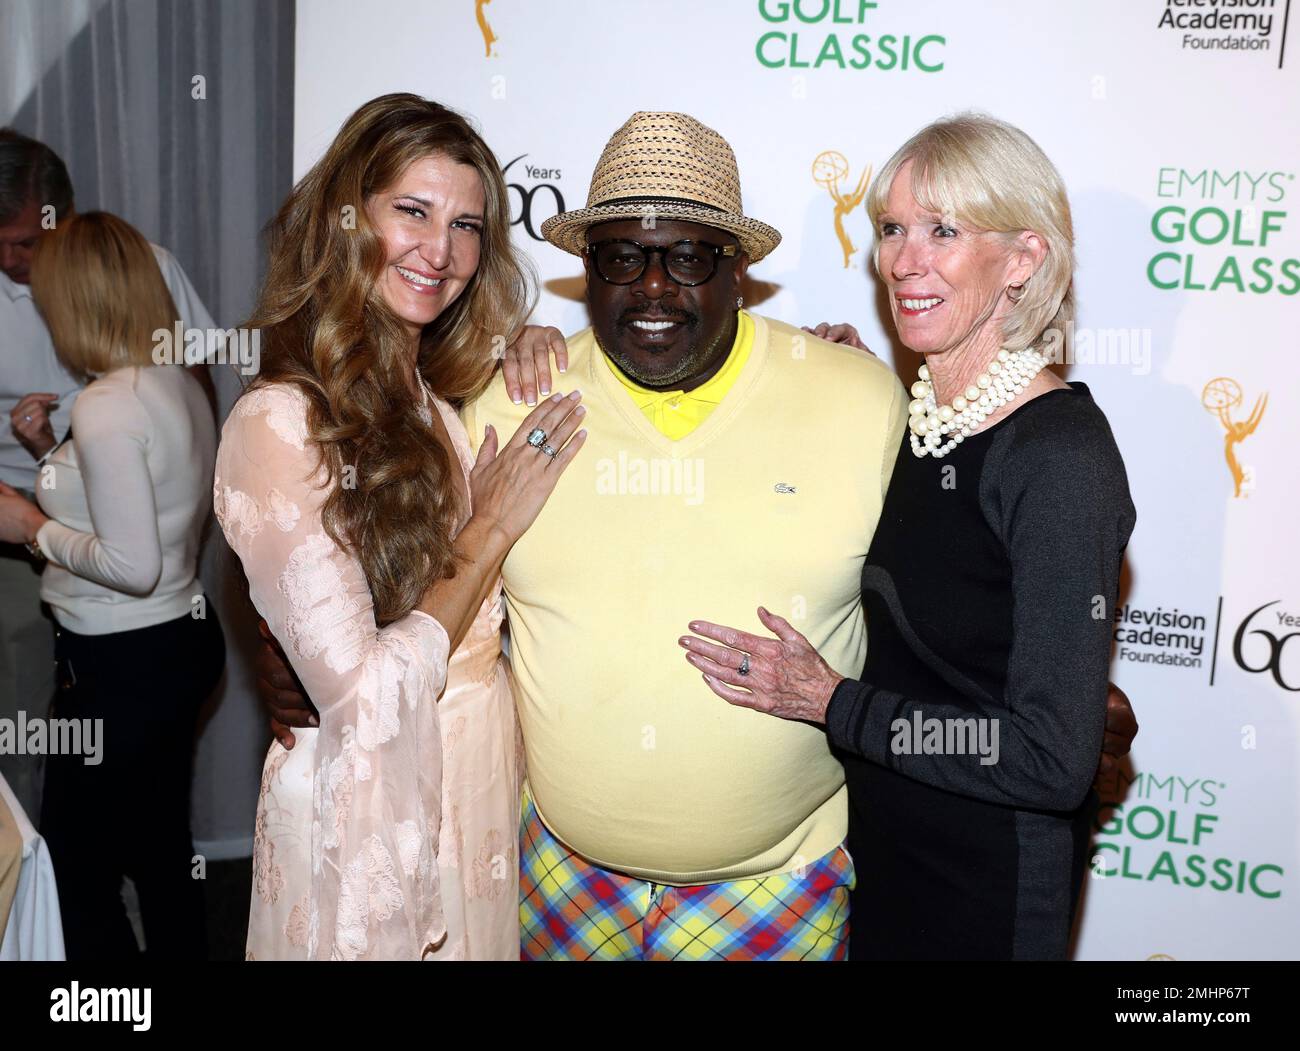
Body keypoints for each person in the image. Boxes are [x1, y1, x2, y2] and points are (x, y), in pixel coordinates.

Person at [264, 110, 1140, 961]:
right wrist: (283, 645)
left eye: (688, 256)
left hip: (787, 896)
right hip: (558, 886)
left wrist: (1072, 710)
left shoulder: (866, 402)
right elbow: (359, 549)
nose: (653, 286)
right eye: (621, 257)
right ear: (585, 270)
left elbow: (1010, 634)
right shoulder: (501, 397)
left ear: (739, 271)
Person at [679, 114, 1137, 960]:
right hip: (883, 867)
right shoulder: (919, 417)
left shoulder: (1062, 458)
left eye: (944, 231)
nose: (904, 259)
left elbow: (1047, 756)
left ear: (1024, 260)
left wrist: (831, 702)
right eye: (891, 228)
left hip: (986, 894)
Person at [216, 93, 585, 961]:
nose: (443, 251)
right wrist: (487, 530)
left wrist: (529, 339)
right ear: (347, 219)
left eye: (466, 226)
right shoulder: (280, 420)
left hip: (473, 792)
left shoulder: (430, 398)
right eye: (411, 212)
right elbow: (366, 693)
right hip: (370, 818)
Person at [0, 211, 226, 958]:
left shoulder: (105, 404)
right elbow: (139, 508)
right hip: (176, 647)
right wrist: (48, 453)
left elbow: (134, 565)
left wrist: (30, 526)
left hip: (121, 666)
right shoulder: (167, 378)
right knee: (161, 851)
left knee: (76, 863)